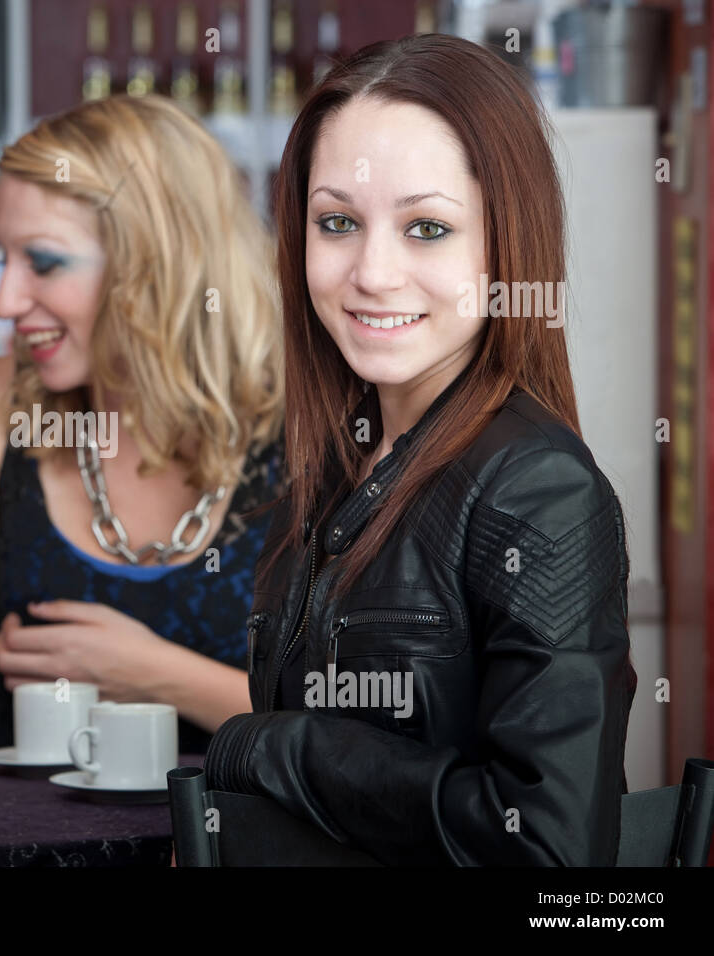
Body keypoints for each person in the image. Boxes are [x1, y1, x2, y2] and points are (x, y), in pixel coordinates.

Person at [203, 34, 636, 865]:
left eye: (427, 228)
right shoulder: (328, 470)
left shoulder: (537, 488)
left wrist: (280, 749)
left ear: (504, 246)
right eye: (338, 223)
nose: (373, 272)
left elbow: (553, 850)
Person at [0, 94, 286, 756]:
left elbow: (358, 737)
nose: (6, 301)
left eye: (42, 261)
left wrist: (154, 676)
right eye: (3, 258)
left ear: (155, 264)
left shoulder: (314, 430)